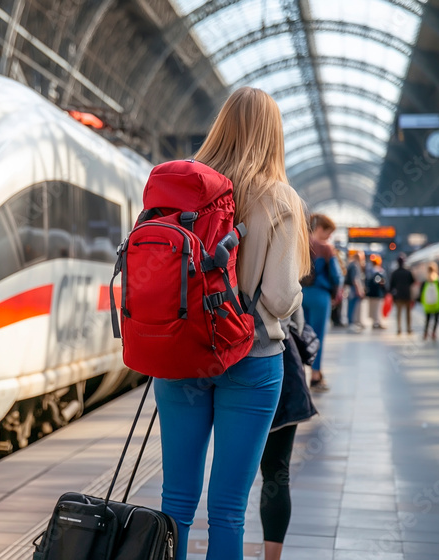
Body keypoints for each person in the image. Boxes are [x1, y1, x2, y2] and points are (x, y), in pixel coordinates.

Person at [153, 87, 309, 560]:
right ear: (273, 134)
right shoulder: (280, 197)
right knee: (227, 510)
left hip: (180, 356)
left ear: (222, 124)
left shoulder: (180, 185)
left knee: (175, 503)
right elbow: (280, 298)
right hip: (251, 359)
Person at [259, 306, 317, 560]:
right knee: (275, 474)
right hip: (275, 361)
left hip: (219, 362)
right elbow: (293, 312)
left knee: (228, 483)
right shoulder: (285, 263)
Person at [300, 214, 342, 392]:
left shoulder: (300, 245)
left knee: (301, 335)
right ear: (319, 229)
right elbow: (337, 275)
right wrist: (337, 293)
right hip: (320, 296)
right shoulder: (326, 248)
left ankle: (300, 375)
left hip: (300, 295)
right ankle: (316, 376)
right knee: (317, 336)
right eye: (328, 232)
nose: (329, 237)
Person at [389, 255, 415, 335]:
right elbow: (413, 282)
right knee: (408, 313)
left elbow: (391, 286)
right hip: (407, 295)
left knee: (398, 313)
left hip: (398, 296)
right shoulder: (408, 272)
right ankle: (409, 329)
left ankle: (399, 329)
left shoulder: (394, 273)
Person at [419, 262, 439, 341]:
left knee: (427, 320)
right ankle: (433, 333)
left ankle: (425, 333)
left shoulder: (425, 281)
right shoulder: (438, 281)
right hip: (437, 304)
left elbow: (421, 292)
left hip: (427, 304)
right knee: (436, 319)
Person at [346, 251, 366, 332]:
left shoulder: (351, 264)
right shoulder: (355, 265)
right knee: (352, 306)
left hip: (351, 288)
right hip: (353, 289)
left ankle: (352, 322)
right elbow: (355, 279)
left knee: (352, 306)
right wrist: (359, 290)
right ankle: (351, 323)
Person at [366, 255, 387, 329]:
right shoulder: (379, 271)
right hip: (377, 293)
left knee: (373, 308)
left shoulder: (369, 271)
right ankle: (377, 322)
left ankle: (375, 322)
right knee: (377, 308)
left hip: (371, 293)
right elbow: (380, 282)